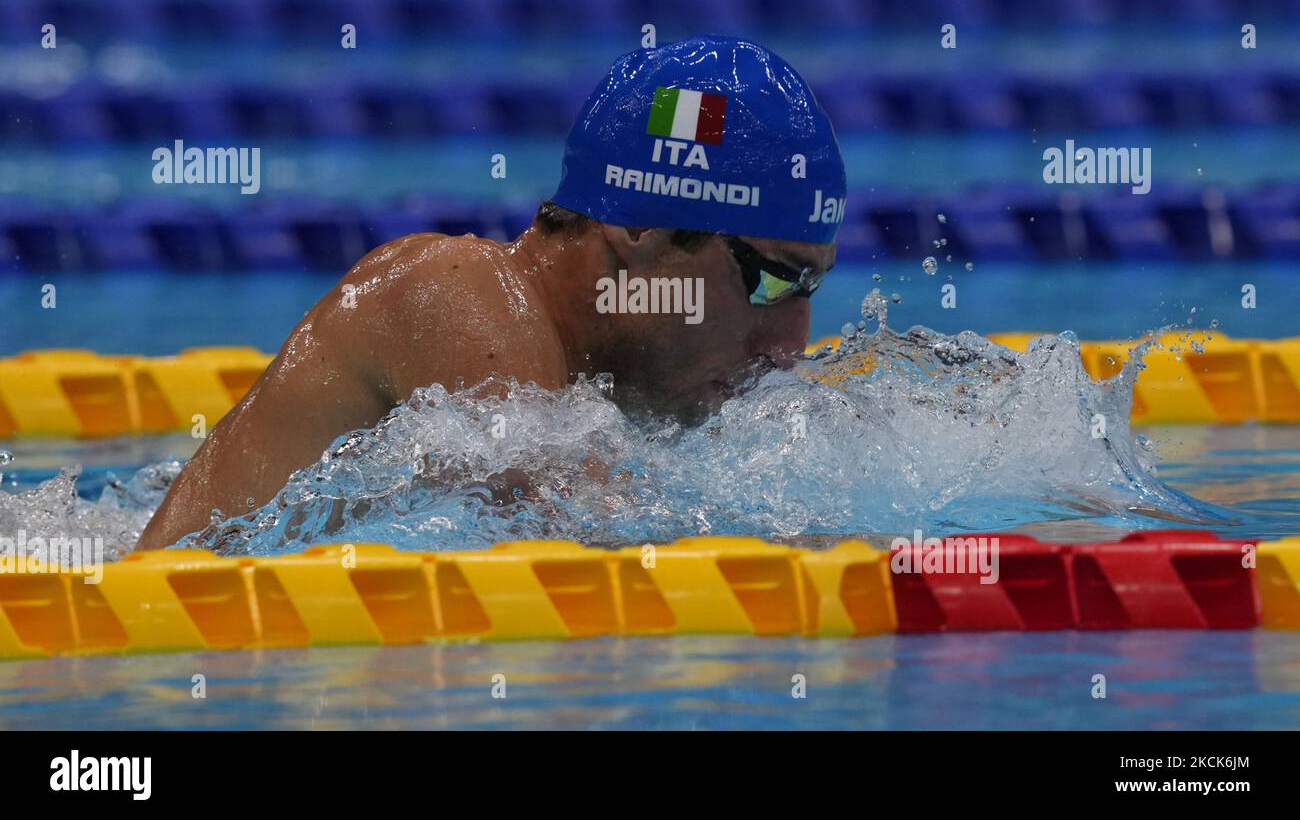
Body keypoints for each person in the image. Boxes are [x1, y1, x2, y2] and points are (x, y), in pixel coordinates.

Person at [137, 35, 847, 548]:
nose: (790, 346)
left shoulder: (582, 388)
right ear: (643, 225)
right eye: (771, 281)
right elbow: (588, 539)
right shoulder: (453, 288)